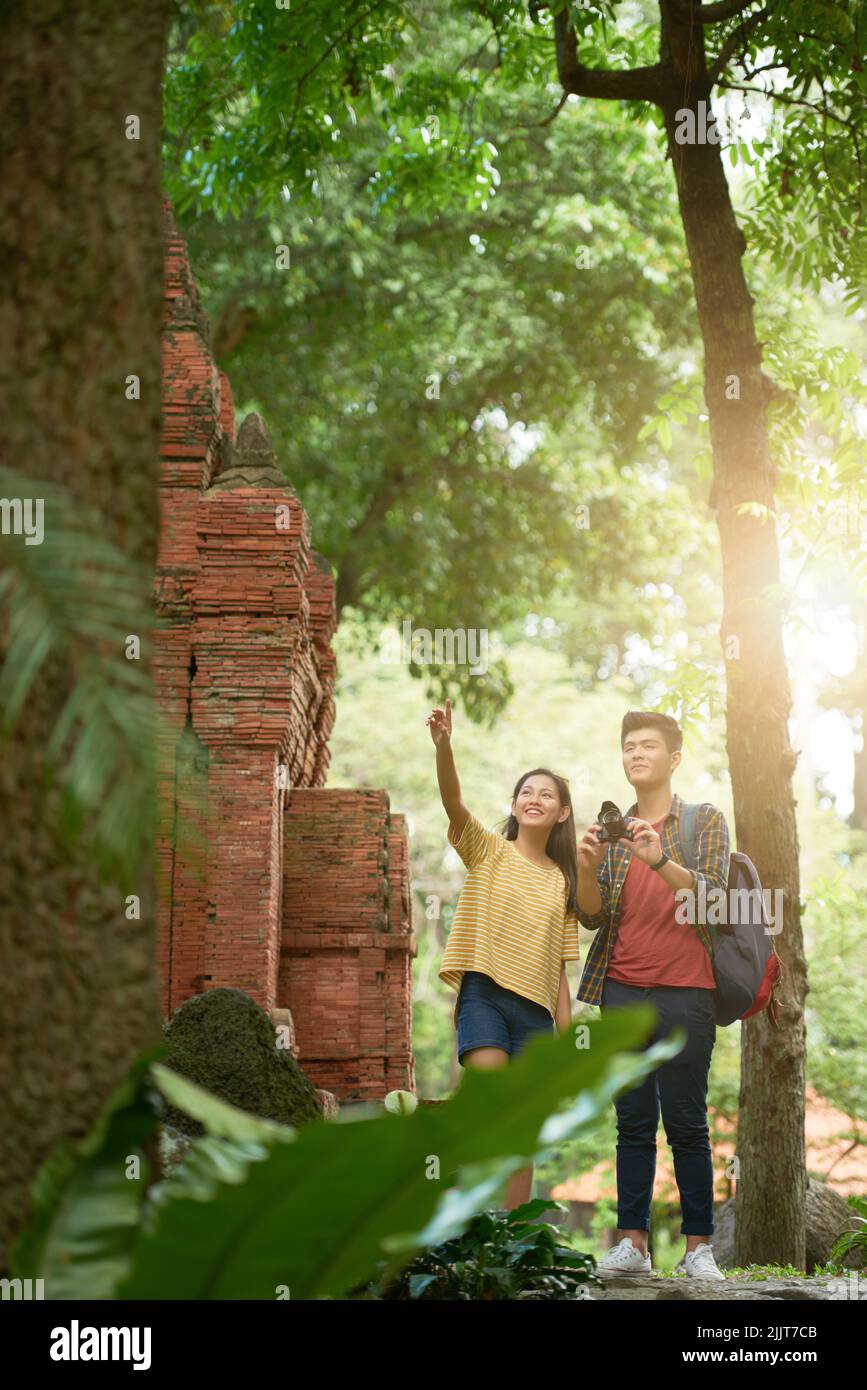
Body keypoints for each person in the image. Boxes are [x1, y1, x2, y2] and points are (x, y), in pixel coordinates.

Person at [575, 710, 730, 1281]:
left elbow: (714, 900)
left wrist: (661, 860)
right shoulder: (613, 832)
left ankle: (698, 1250)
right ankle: (632, 1245)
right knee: (632, 1121)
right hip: (621, 990)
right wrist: (588, 867)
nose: (636, 754)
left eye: (648, 746)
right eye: (628, 747)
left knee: (687, 1121)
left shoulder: (703, 820)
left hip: (687, 990)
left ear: (674, 758)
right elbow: (592, 916)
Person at [427, 696, 580, 1209]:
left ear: (562, 813)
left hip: (535, 1014)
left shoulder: (563, 882)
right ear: (515, 805)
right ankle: (469, 1225)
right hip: (485, 997)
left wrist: (567, 1040)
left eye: (546, 795)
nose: (534, 799)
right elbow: (453, 803)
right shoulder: (489, 850)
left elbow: (559, 968)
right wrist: (445, 746)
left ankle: (512, 1243)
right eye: (526, 792)